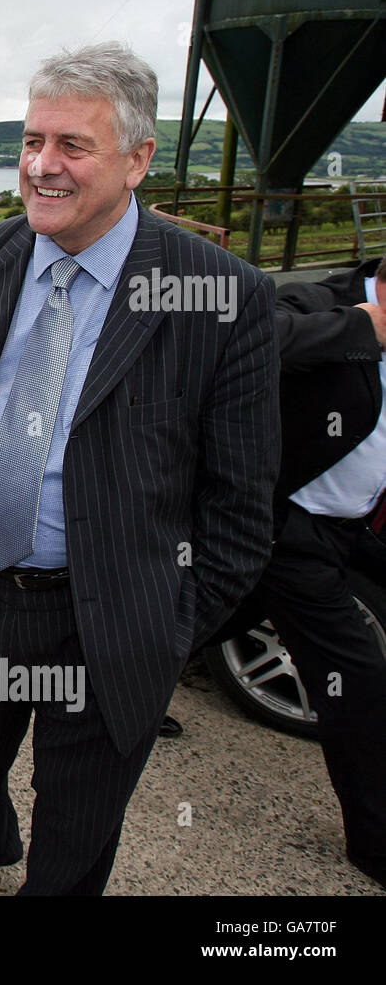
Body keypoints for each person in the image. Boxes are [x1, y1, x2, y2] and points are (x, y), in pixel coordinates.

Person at [0, 42, 280, 894]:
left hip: (108, 613)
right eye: (33, 141)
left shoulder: (222, 297)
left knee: (75, 828)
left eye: (72, 146)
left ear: (139, 159)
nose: (41, 166)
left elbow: (242, 509)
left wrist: (166, 624)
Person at [257, 255, 386, 890]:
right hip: (288, 523)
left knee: (211, 614)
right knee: (356, 676)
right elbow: (249, 339)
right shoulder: (317, 299)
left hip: (355, 522)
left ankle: (144, 676)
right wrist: (363, 329)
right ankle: (377, 842)